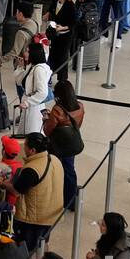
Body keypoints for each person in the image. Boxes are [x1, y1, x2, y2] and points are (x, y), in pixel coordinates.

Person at [1, 132, 63, 259]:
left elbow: (17, 191)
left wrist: (4, 184)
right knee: (42, 244)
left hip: (34, 218)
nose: (24, 148)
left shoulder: (32, 169)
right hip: (51, 213)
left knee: (29, 250)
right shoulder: (55, 159)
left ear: (33, 150)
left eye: (26, 146)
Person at [47, 80, 84, 209]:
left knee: (55, 169)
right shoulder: (80, 106)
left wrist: (47, 118)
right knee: (69, 170)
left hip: (57, 145)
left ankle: (55, 197)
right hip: (71, 144)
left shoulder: (57, 110)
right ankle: (71, 201)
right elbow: (77, 125)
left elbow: (48, 130)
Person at [41, 0, 77, 83]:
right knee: (51, 56)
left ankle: (62, 81)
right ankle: (49, 76)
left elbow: (73, 23)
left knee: (62, 58)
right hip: (53, 34)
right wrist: (48, 14)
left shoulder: (70, 6)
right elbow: (52, 11)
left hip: (65, 36)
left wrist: (63, 27)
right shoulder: (55, 1)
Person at [14, 42, 52, 135]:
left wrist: (27, 103)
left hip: (34, 106)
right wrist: (20, 67)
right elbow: (19, 81)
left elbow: (43, 92)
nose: (25, 53)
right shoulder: (31, 66)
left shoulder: (39, 70)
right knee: (23, 133)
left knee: (31, 133)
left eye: (28, 51)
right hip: (29, 104)